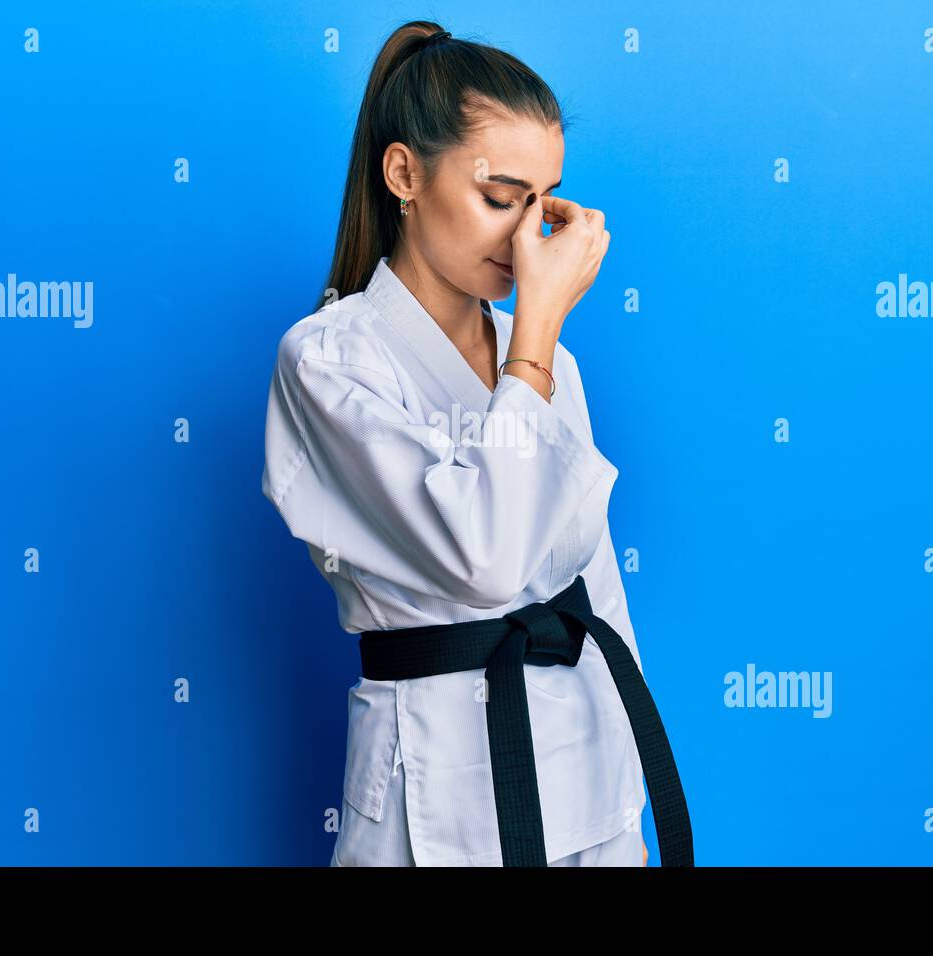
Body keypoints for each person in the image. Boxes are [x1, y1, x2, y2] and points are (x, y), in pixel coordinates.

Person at [263, 20, 678, 866]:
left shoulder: (549, 357)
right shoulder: (329, 360)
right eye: (500, 197)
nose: (528, 237)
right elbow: (481, 555)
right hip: (433, 782)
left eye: (544, 200)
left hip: (586, 764)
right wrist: (535, 336)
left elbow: (592, 585)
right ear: (405, 174)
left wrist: (624, 804)